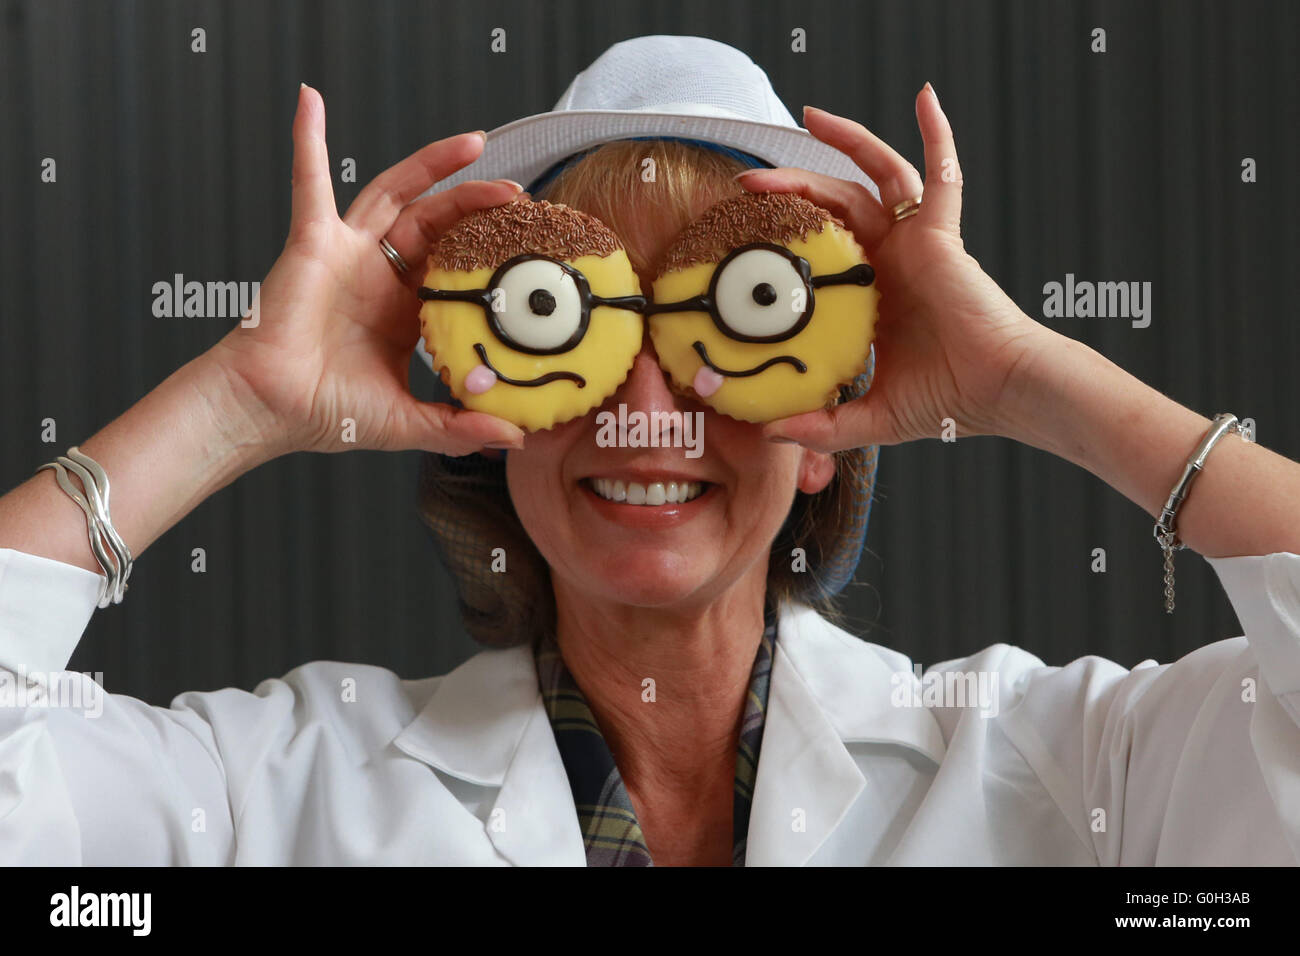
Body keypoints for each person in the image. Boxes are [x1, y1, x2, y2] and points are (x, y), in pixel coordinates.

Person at [1, 36, 1298, 867]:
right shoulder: (275, 796)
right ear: (487, 402)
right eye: (570, 325)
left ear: (827, 436)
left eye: (737, 325)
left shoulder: (1072, 771)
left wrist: (1022, 377)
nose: (650, 407)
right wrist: (239, 402)